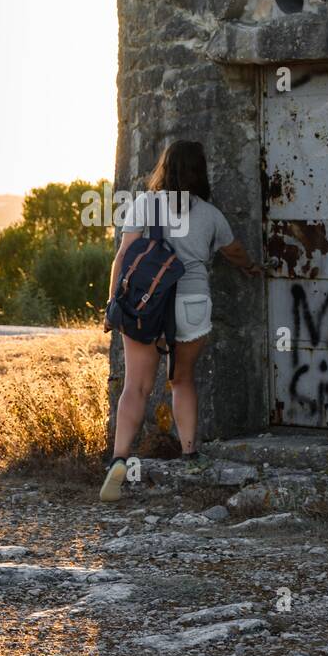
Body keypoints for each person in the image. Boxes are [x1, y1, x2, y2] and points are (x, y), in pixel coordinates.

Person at [99, 139, 261, 503]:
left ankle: (119, 460)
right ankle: (190, 455)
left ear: (164, 169)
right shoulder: (209, 214)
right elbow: (233, 251)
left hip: (146, 303)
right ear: (200, 172)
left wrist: (113, 304)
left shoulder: (144, 204)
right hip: (192, 301)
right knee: (182, 379)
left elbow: (124, 256)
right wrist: (249, 266)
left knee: (136, 387)